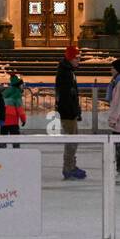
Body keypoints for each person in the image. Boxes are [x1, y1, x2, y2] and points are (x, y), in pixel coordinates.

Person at [55, 47, 86, 179]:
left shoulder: (69, 71)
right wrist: (73, 111)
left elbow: (72, 94)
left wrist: (76, 110)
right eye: (77, 58)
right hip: (67, 113)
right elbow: (66, 96)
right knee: (71, 141)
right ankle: (68, 167)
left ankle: (71, 165)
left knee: (74, 140)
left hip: (70, 112)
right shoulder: (65, 73)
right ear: (70, 58)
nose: (78, 61)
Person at [0, 73, 27, 147]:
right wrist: (23, 119)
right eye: (22, 85)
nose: (23, 87)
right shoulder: (17, 94)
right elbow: (19, 109)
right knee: (15, 140)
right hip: (13, 120)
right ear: (18, 85)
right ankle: (16, 153)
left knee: (3, 139)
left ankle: (0, 152)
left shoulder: (6, 92)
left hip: (3, 120)